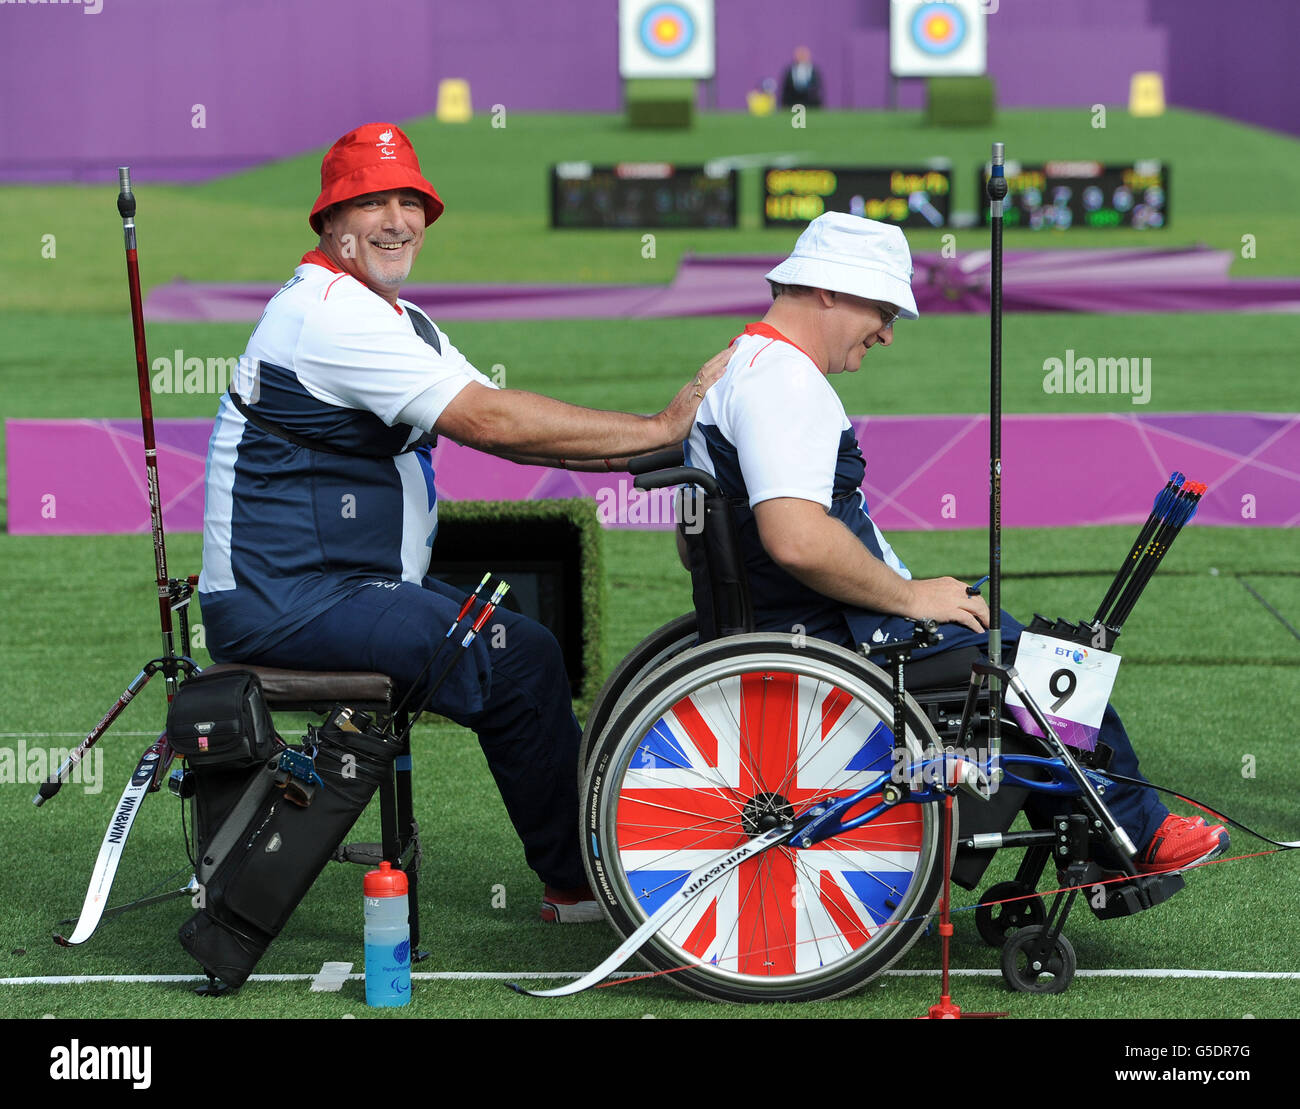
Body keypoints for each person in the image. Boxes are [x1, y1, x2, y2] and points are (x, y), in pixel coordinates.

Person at [197, 122, 728, 923]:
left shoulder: (398, 319)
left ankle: (583, 859)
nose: (397, 219)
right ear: (330, 225)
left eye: (410, 201)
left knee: (518, 634)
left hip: (340, 586)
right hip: (290, 600)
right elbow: (493, 421)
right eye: (371, 201)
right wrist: (657, 428)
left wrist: (658, 451)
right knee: (514, 658)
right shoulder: (330, 314)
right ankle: (580, 876)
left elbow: (509, 424)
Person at [678, 211, 1228, 874]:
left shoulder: (745, 366)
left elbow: (715, 546)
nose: (886, 332)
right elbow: (796, 540)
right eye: (881, 309)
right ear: (826, 290)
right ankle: (1137, 838)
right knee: (1042, 663)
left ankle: (1108, 840)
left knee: (1004, 632)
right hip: (834, 641)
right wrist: (911, 597)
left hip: (804, 625)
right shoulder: (784, 381)